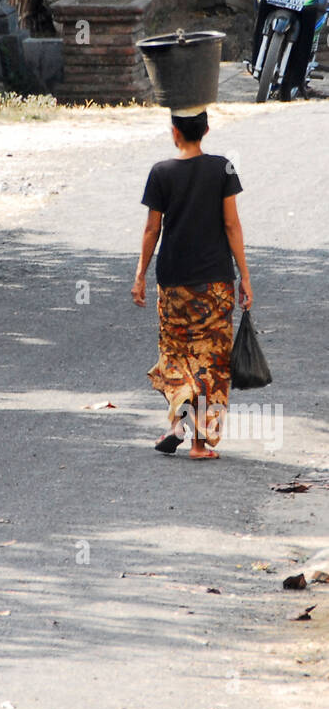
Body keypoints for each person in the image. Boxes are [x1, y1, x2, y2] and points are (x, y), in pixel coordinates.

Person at [131, 108, 252, 459]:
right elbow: (232, 225)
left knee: (175, 353)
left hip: (173, 282)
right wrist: (244, 275)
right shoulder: (223, 168)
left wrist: (140, 274)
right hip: (215, 282)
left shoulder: (161, 173)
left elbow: (152, 229)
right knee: (210, 360)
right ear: (207, 130)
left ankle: (178, 418)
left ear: (174, 132)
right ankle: (199, 444)